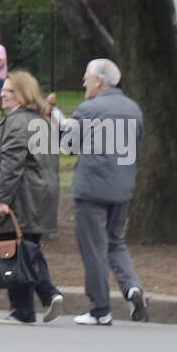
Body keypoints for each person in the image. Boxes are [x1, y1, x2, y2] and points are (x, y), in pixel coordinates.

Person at [66, 58, 147, 325]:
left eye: (87, 78)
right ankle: (132, 288)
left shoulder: (88, 109)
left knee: (94, 248)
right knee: (115, 242)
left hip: (91, 189)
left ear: (99, 82)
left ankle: (100, 310)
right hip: (122, 187)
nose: (83, 83)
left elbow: (68, 145)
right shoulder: (133, 109)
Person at [0, 70, 64, 324]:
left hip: (21, 197)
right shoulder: (42, 121)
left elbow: (11, 165)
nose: (2, 94)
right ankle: (31, 306)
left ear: (22, 95)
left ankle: (39, 300)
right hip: (41, 196)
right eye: (3, 89)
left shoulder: (17, 123)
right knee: (26, 250)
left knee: (14, 251)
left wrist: (2, 199)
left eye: (8, 90)